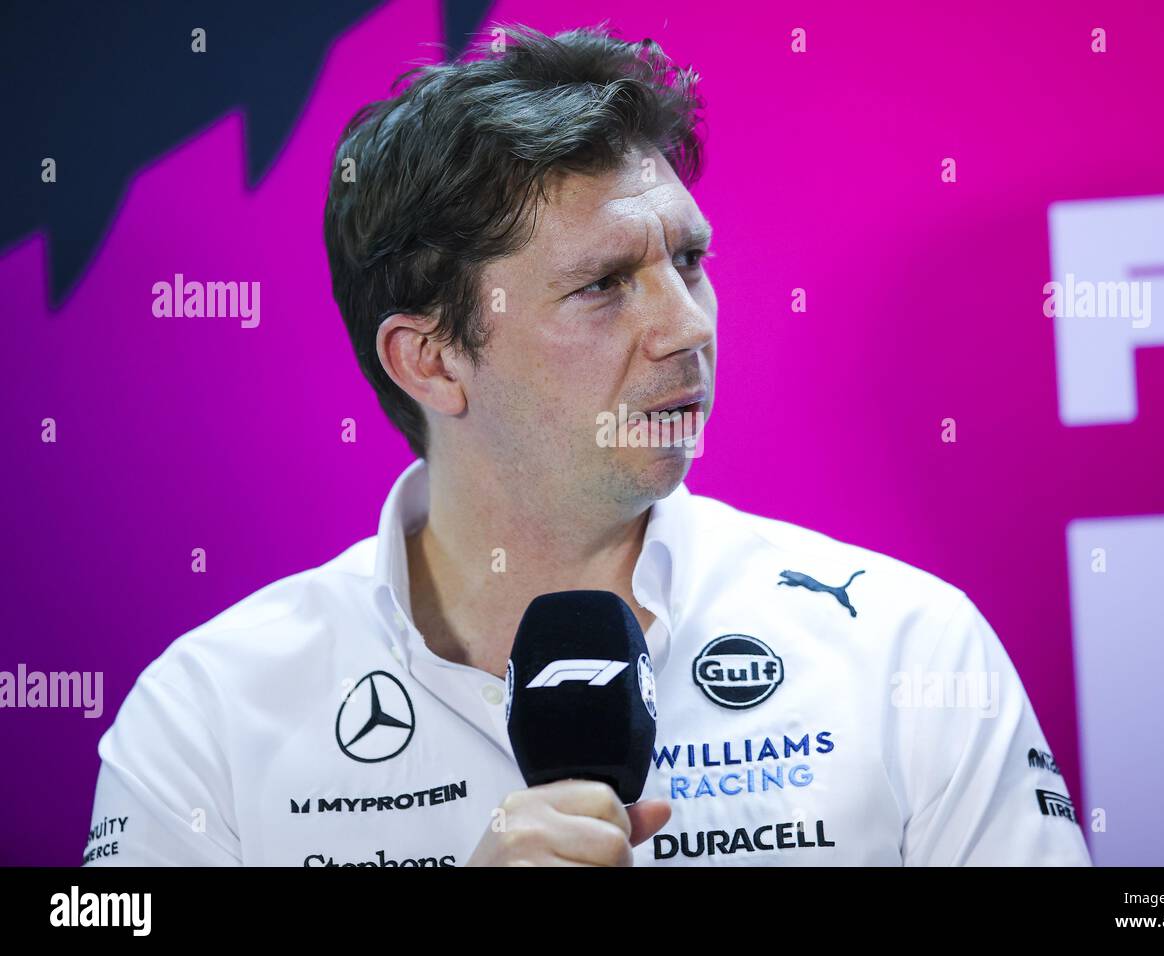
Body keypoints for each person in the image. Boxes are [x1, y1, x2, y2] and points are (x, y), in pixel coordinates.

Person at [83, 23, 1091, 867]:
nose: (688, 326)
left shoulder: (903, 648)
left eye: (688, 260)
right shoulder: (207, 716)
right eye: (603, 284)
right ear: (432, 359)